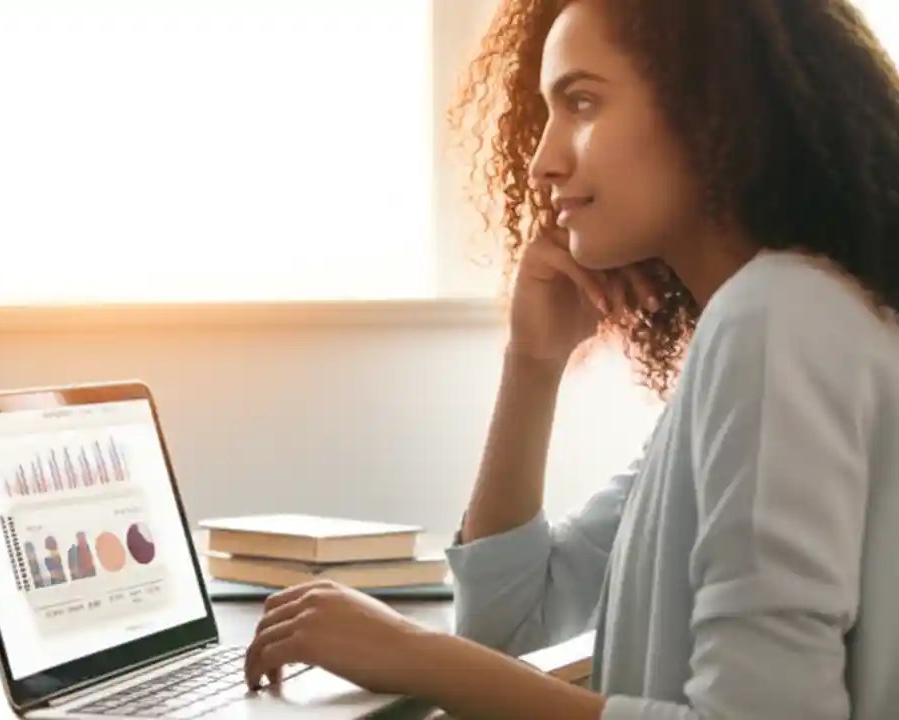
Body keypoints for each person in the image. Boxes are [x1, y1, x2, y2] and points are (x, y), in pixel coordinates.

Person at [242, 0, 899, 718]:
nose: (542, 159)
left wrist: (412, 653)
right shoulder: (771, 324)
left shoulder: (777, 317)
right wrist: (533, 363)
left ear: (714, 103)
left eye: (581, 102)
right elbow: (506, 626)